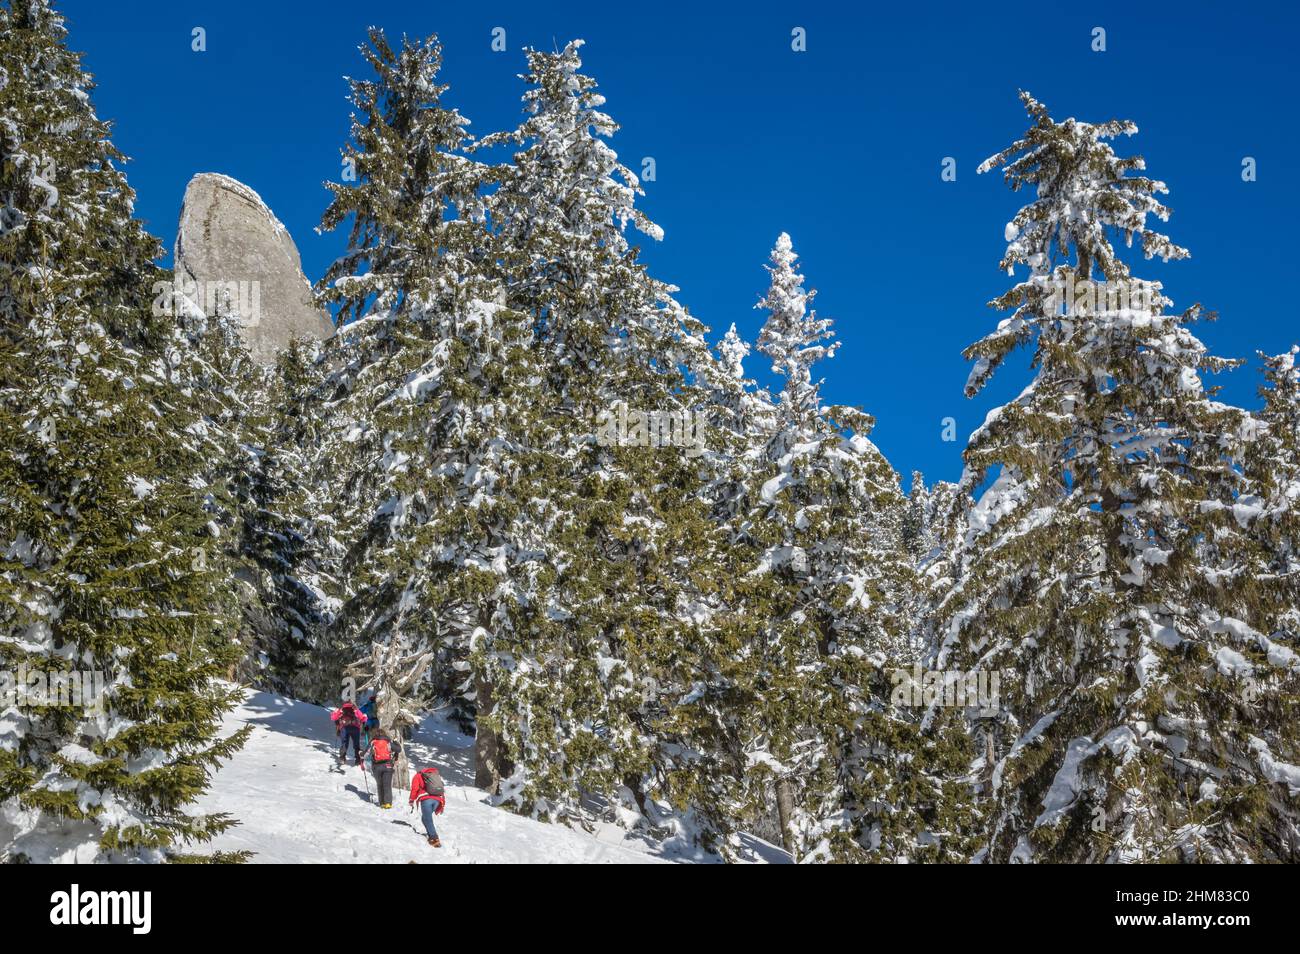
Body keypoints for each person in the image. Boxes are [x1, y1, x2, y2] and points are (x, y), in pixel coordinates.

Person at [409, 765, 446, 848]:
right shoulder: (435, 775)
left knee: (428, 818)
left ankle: (434, 838)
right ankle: (430, 835)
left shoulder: (418, 775)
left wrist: (411, 800)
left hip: (426, 800)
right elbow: (441, 790)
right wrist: (443, 804)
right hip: (437, 800)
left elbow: (414, 789)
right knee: (425, 818)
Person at [365, 728, 400, 809]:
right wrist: (395, 742)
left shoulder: (373, 742)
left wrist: (360, 754)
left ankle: (382, 803)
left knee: (380, 784)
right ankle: (388, 803)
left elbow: (366, 754)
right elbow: (398, 749)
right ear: (384, 734)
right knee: (387, 784)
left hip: (376, 766)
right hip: (387, 765)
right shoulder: (388, 742)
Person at [330, 700, 367, 765]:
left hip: (344, 728)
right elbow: (363, 718)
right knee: (356, 744)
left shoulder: (341, 708)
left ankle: (342, 758)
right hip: (355, 728)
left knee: (344, 743)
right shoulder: (354, 708)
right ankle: (358, 760)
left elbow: (333, 717)